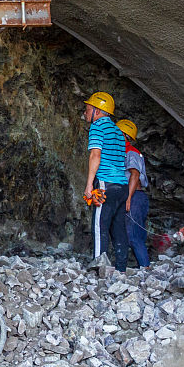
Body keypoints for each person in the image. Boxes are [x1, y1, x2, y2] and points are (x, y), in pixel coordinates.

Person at [82, 91, 130, 272]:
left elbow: (95, 155)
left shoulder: (97, 127)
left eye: (87, 109)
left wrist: (89, 185)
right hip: (122, 187)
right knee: (118, 228)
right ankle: (121, 268)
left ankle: (99, 267)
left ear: (97, 110)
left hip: (105, 184)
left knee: (99, 225)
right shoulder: (118, 131)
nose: (85, 113)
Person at [117, 119, 150, 268]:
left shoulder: (131, 152)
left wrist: (128, 198)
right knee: (134, 235)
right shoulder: (123, 152)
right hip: (136, 197)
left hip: (135, 196)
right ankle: (142, 268)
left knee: (133, 236)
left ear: (123, 135)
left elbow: (134, 175)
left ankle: (145, 268)